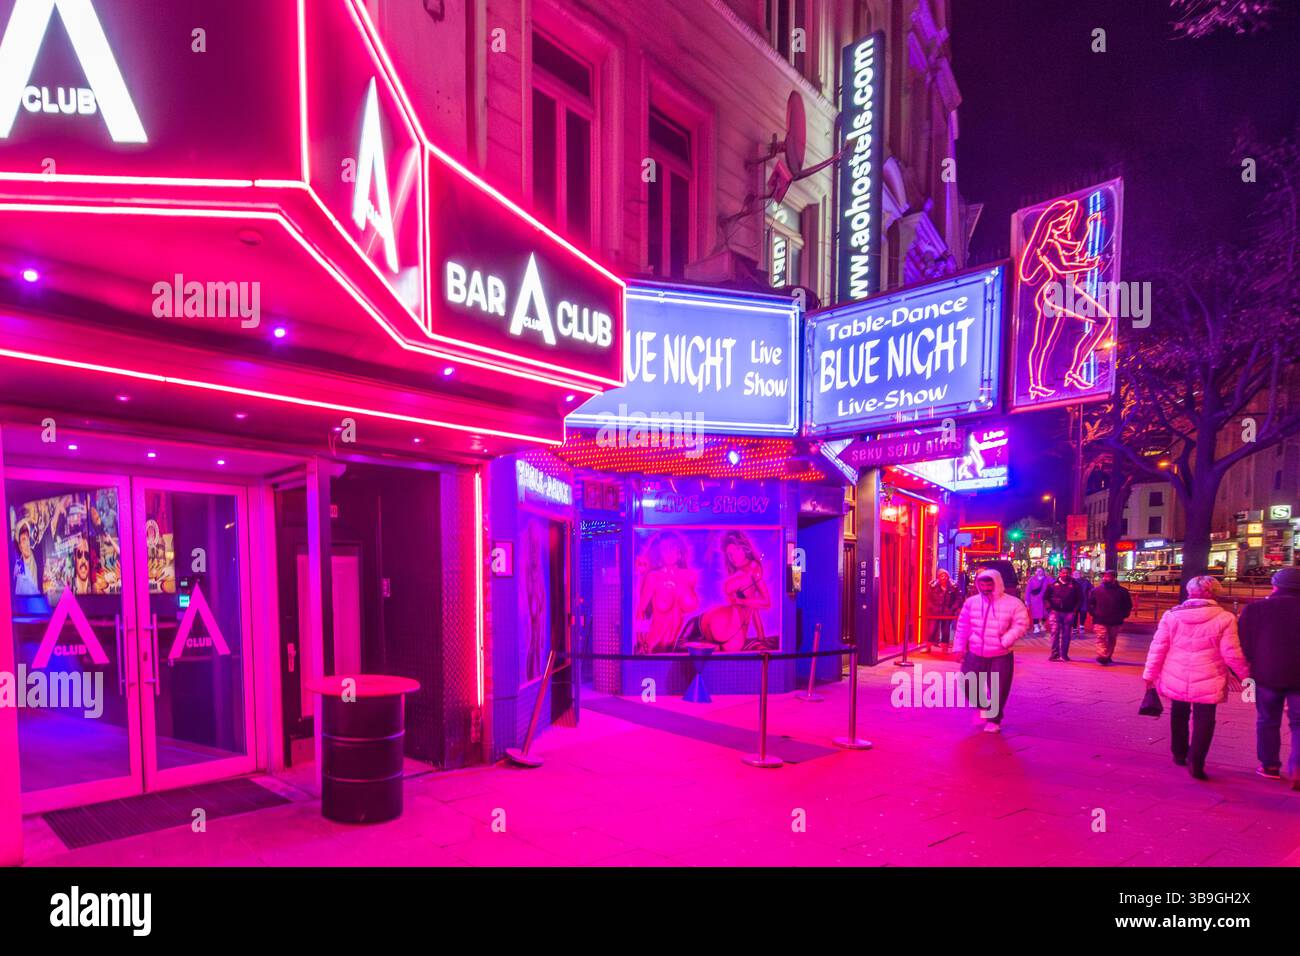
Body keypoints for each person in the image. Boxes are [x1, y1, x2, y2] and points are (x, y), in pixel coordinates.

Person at [1142, 576, 1250, 780]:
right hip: (1209, 675)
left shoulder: (1171, 616)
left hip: (1176, 673)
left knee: (1178, 713)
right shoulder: (1224, 618)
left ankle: (1179, 753)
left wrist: (1149, 674)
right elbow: (1231, 654)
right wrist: (1246, 676)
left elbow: (1158, 647)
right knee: (1205, 719)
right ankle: (1196, 761)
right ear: (1213, 593)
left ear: (1190, 592)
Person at [1237, 567, 1300, 788]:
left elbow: (1244, 642)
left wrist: (1253, 662)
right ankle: (1298, 767)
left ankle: (1269, 765)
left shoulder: (1256, 609)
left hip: (1267, 674)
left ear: (1275, 586)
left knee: (1267, 719)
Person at [953, 568, 1030, 733]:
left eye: (989, 584)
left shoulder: (1013, 603)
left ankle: (994, 720)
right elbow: (963, 625)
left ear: (997, 583)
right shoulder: (971, 602)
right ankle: (983, 706)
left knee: (998, 688)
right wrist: (959, 647)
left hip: (1000, 654)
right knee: (967, 682)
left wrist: (1006, 640)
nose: (986, 587)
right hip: (975, 651)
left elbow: (1022, 623)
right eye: (982, 584)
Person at [1087, 570, 1132, 664]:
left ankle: (1107, 655)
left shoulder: (1122, 591)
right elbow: (1090, 604)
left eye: (1108, 576)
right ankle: (1102, 655)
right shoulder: (1096, 590)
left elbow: (1127, 605)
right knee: (1101, 637)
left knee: (1112, 639)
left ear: (1114, 578)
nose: (1105, 578)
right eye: (1104, 576)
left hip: (1115, 620)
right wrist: (1094, 614)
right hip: (1100, 619)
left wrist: (1123, 615)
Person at [1045, 567, 1083, 661]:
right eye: (1063, 573)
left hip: (1069, 612)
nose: (1065, 574)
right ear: (1060, 573)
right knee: (1055, 632)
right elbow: (1046, 598)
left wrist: (1074, 610)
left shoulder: (1075, 585)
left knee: (1066, 634)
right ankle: (1055, 654)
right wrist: (1049, 609)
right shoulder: (1053, 585)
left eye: (1067, 573)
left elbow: (1080, 599)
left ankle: (1064, 654)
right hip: (1055, 612)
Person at [925, 569, 963, 652]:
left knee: (946, 630)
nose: (944, 577)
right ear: (938, 577)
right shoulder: (933, 585)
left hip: (947, 612)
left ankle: (945, 648)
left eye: (945, 575)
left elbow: (958, 599)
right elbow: (928, 598)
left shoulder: (954, 586)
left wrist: (952, 609)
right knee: (932, 629)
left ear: (948, 576)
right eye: (941, 576)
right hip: (935, 611)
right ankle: (928, 647)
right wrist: (932, 607)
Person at [1025, 567, 1049, 634]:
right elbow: (1028, 590)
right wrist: (1027, 600)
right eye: (1037, 571)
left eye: (1040, 571)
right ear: (1035, 572)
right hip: (1034, 599)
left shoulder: (1047, 579)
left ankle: (1042, 623)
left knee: (1045, 613)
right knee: (1035, 613)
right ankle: (1036, 626)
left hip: (1044, 599)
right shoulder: (1032, 579)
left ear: (1043, 571)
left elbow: (1054, 582)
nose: (1039, 572)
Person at [1073, 569, 1094, 635]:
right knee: (1075, 615)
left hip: (1082, 600)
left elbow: (1092, 589)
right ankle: (1075, 628)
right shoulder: (1071, 581)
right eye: (1074, 574)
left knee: (1082, 614)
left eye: (1077, 574)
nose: (1075, 575)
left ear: (1080, 574)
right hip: (1075, 601)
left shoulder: (1085, 581)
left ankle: (1081, 626)